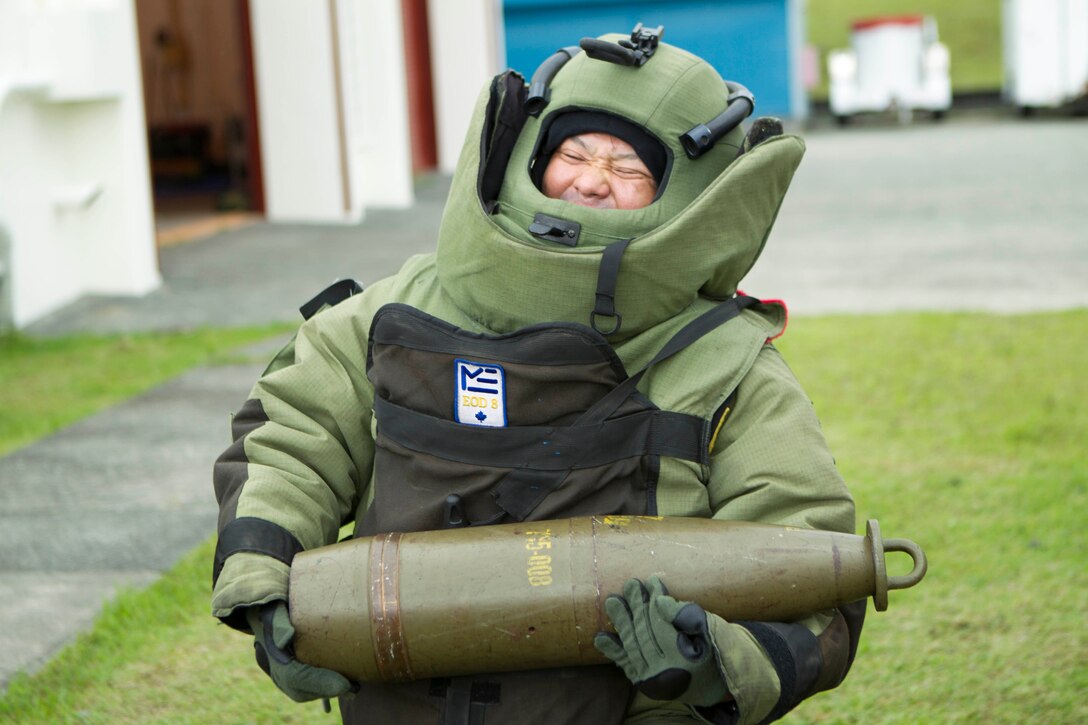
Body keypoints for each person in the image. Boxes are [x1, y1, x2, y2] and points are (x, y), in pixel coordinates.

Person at [212, 25, 865, 725]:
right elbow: (292, 437)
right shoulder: (390, 315)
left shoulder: (721, 363)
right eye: (573, 152)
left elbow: (807, 551)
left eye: (629, 169)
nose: (590, 180)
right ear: (525, 154)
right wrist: (262, 579)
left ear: (692, 199)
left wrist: (714, 660)